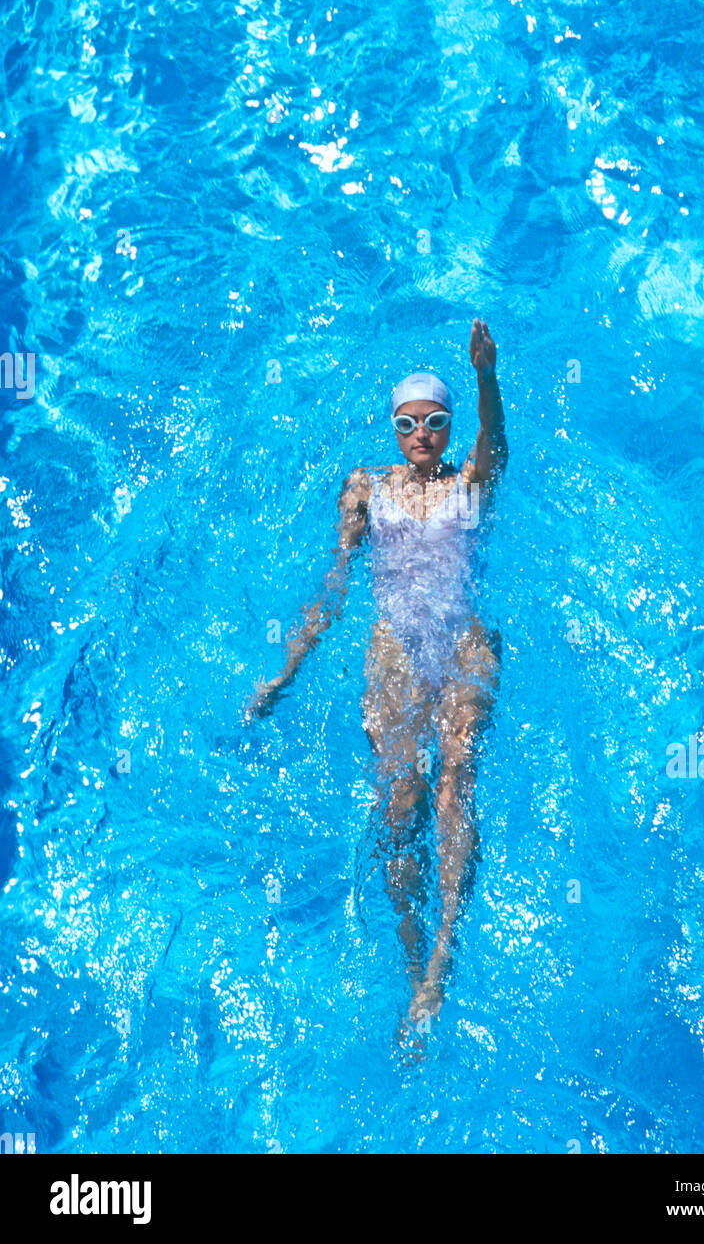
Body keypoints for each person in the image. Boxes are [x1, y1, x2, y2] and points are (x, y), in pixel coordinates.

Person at [245, 318, 508, 1032]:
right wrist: (286, 671)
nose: (421, 433)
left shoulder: (471, 485)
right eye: (407, 422)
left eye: (435, 421)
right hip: (393, 651)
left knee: (452, 789)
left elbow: (497, 446)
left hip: (463, 647)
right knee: (401, 802)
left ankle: (441, 960)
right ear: (393, 427)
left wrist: (485, 375)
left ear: (451, 427)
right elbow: (333, 588)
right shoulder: (364, 489)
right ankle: (407, 958)